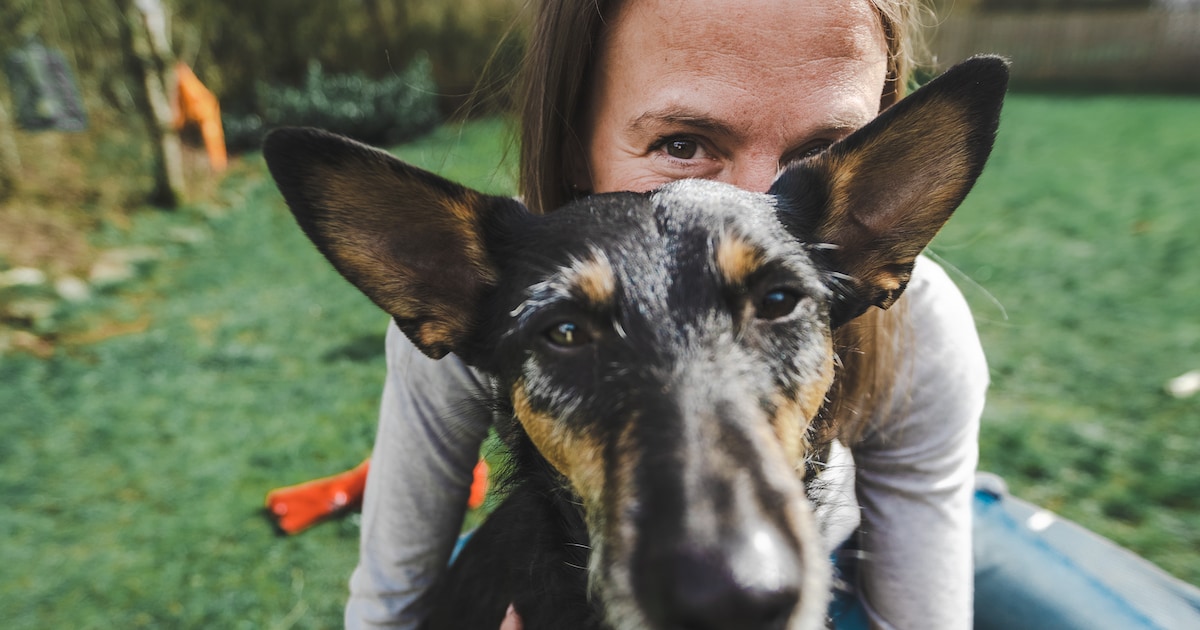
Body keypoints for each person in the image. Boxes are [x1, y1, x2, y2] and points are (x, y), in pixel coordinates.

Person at [342, 1, 1200, 628]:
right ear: (576, 141)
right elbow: (392, 598)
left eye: (820, 150)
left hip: (897, 520)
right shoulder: (491, 288)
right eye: (684, 143)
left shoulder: (922, 320)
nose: (750, 204)